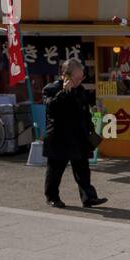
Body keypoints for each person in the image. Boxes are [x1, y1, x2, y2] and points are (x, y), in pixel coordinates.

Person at [42, 59, 108, 209]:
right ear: (65, 75)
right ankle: (52, 197)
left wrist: (90, 129)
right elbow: (51, 108)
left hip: (79, 137)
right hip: (59, 137)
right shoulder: (51, 89)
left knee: (83, 170)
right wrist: (64, 92)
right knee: (55, 170)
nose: (79, 81)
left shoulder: (80, 89)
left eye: (81, 78)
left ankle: (89, 197)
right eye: (76, 79)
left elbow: (85, 112)